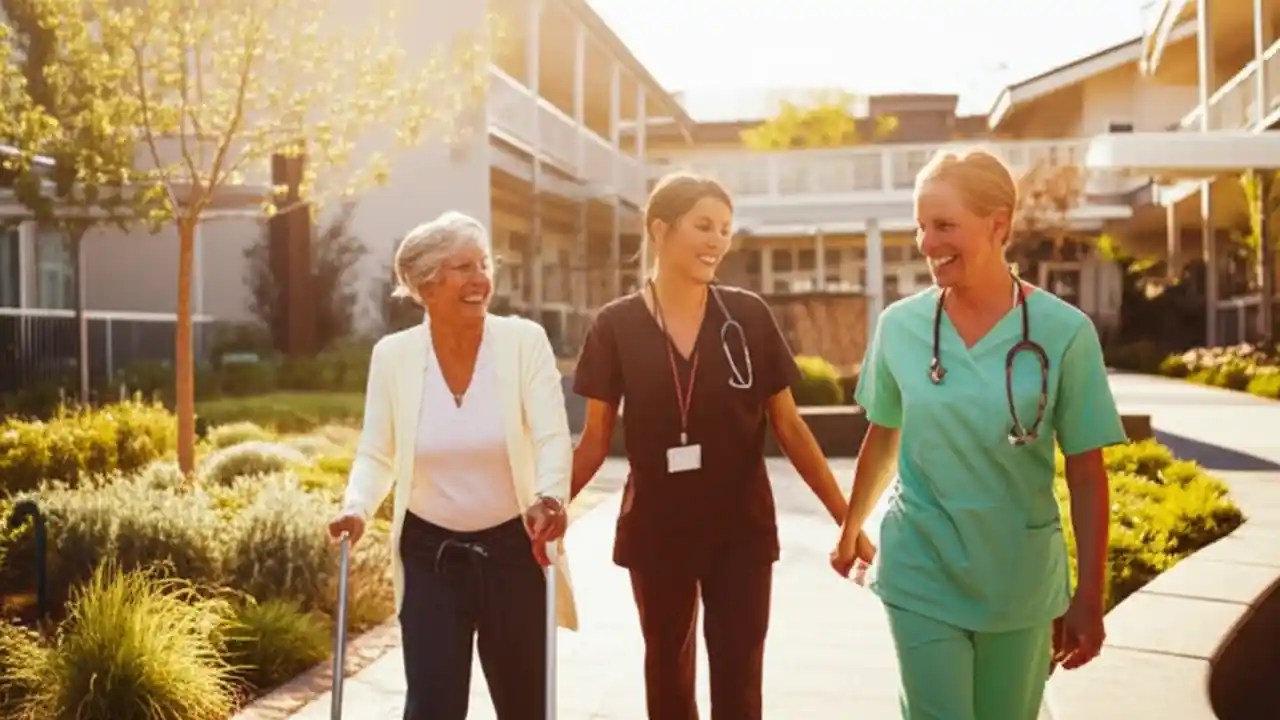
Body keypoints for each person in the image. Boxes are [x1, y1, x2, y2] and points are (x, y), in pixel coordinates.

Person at [830, 148, 1125, 720]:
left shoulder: (1065, 333)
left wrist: (1089, 595)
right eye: (920, 226)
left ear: (998, 224)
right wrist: (850, 530)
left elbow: (1087, 473)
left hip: (1018, 575)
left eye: (944, 225)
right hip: (921, 566)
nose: (926, 243)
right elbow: (883, 435)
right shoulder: (901, 327)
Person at [571, 171, 866, 720]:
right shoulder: (616, 325)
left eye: (726, 229)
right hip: (658, 529)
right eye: (703, 225)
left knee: (740, 683)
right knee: (666, 675)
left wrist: (847, 519)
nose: (717, 241)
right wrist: (548, 508)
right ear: (661, 229)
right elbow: (593, 441)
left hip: (741, 529)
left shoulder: (747, 316)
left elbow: (790, 425)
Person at [327, 210, 577, 720]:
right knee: (432, 707)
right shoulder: (393, 356)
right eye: (464, 267)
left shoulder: (523, 342)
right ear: (427, 284)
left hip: (513, 549)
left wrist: (549, 496)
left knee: (525, 705)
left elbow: (553, 436)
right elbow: (377, 452)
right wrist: (357, 507)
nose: (481, 279)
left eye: (484, 264)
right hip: (430, 556)